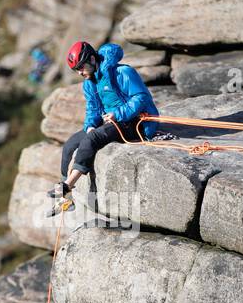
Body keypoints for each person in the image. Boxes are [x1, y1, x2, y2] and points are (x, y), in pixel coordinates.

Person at [49, 41, 160, 213]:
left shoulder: (122, 72)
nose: (80, 72)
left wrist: (118, 114)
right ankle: (64, 199)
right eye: (76, 70)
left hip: (133, 122)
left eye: (81, 67)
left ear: (92, 59)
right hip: (110, 121)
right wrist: (90, 125)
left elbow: (141, 98)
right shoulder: (89, 83)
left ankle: (66, 186)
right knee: (70, 144)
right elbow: (93, 108)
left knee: (92, 140)